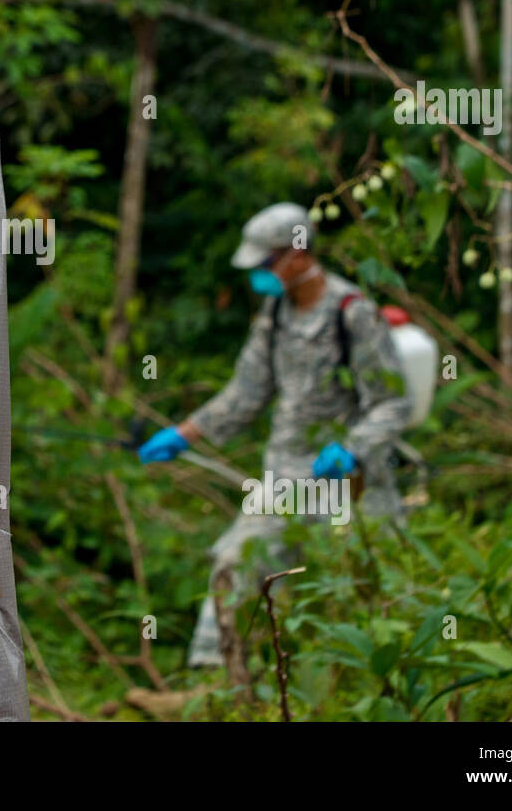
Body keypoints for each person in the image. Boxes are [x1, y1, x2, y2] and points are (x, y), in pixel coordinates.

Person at [138, 201, 411, 673]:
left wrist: (354, 448)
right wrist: (184, 434)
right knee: (236, 560)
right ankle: (220, 684)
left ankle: (362, 690)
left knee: (368, 589)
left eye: (266, 264)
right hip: (286, 476)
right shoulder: (274, 315)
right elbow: (247, 391)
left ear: (298, 255)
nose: (260, 276)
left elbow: (393, 402)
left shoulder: (353, 314)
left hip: (352, 482)